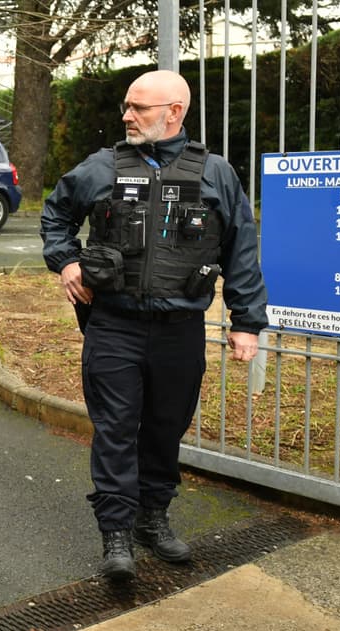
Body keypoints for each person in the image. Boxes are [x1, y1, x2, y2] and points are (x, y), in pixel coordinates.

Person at [40, 70, 268, 582]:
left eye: (138, 108)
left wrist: (247, 322)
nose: (127, 115)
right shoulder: (101, 167)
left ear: (174, 112)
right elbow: (56, 215)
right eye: (127, 106)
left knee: (166, 428)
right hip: (113, 325)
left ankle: (152, 517)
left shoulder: (215, 174)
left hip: (179, 329)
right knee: (116, 429)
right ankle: (116, 532)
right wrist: (66, 262)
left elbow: (241, 248)